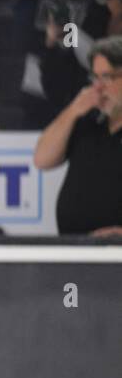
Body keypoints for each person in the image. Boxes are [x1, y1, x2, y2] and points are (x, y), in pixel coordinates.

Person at [33, 35, 122, 236]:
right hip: (74, 251)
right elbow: (42, 159)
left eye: (107, 77)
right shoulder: (87, 123)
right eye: (95, 78)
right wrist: (73, 110)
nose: (98, 88)